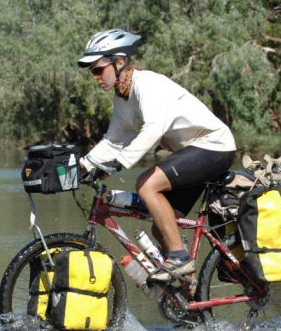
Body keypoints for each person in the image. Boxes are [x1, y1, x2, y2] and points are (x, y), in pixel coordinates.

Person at [77, 29, 237, 281]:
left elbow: (154, 129)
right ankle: (190, 297)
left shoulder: (147, 84)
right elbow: (114, 139)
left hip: (214, 146)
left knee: (146, 185)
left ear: (119, 62)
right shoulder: (123, 96)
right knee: (162, 226)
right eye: (92, 72)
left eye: (98, 69)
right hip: (192, 152)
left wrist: (117, 164)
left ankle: (180, 259)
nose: (95, 77)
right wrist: (83, 166)